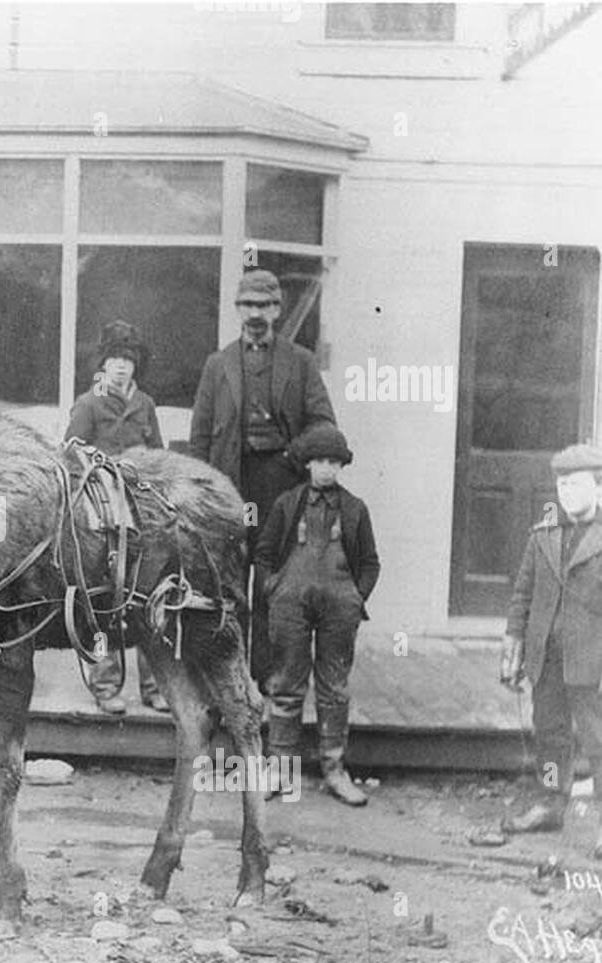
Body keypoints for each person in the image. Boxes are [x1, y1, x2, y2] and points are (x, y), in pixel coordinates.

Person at [189, 270, 337, 686]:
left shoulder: (301, 363)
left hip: (279, 485)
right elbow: (200, 437)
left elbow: (324, 426)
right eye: (248, 305)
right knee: (228, 584)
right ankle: (229, 677)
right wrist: (201, 495)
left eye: (264, 305)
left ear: (277, 309)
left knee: (273, 581)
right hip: (232, 487)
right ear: (237, 309)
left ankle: (269, 673)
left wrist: (292, 457)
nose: (256, 314)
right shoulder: (217, 365)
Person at [254, 425, 380, 806]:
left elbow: (371, 562)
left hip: (339, 607)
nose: (326, 469)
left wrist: (356, 598)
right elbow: (262, 553)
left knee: (334, 688)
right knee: (286, 685)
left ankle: (334, 770)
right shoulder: (287, 504)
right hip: (290, 603)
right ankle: (278, 771)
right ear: (307, 463)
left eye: (334, 462)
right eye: (320, 461)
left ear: (341, 465)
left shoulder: (355, 509)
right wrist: (272, 589)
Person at [500, 443, 602, 852]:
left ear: (598, 486)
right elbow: (522, 594)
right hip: (547, 656)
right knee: (551, 735)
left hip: (593, 659)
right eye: (561, 484)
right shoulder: (543, 533)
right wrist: (514, 643)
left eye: (576, 484)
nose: (567, 493)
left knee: (598, 739)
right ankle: (549, 804)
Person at [64, 320, 169, 715]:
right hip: (102, 515)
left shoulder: (145, 405)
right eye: (115, 359)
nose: (122, 366)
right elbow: (70, 453)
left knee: (149, 596)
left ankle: (154, 686)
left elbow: (158, 454)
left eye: (128, 359)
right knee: (106, 598)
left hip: (141, 511)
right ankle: (106, 685)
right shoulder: (89, 403)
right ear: (103, 364)